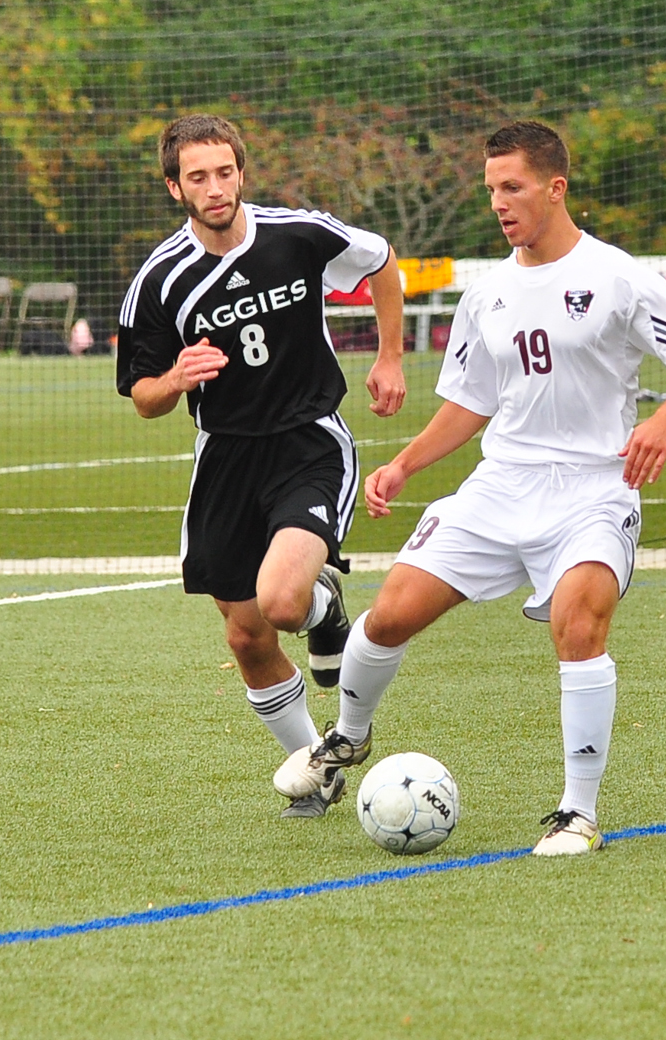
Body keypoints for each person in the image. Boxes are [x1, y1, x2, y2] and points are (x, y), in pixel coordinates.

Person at [273, 121, 666, 855]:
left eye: (512, 187)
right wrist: (406, 466)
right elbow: (471, 403)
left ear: (556, 187)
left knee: (579, 625)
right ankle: (346, 743)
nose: (499, 203)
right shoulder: (486, 295)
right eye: (490, 190)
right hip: (499, 488)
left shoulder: (617, 278)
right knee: (388, 616)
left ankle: (577, 813)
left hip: (592, 491)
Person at [117, 113, 407, 818]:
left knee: (281, 602)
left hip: (307, 441)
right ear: (174, 188)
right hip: (224, 458)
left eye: (224, 172)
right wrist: (178, 378)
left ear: (240, 172)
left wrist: (391, 356)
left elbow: (382, 261)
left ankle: (320, 603)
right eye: (197, 177)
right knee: (247, 633)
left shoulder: (298, 234)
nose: (215, 188)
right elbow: (142, 397)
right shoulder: (158, 281)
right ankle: (321, 763)